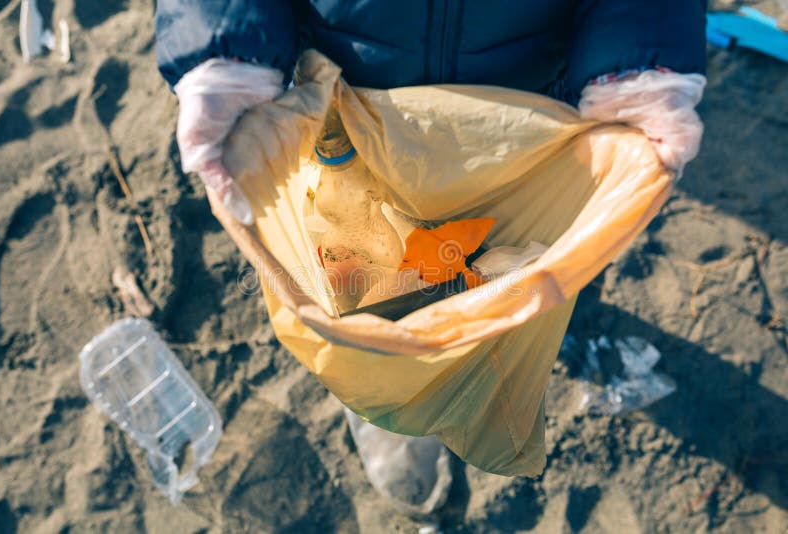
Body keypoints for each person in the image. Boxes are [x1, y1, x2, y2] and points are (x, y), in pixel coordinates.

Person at [154, 0, 708, 518]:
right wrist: (223, 40)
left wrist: (637, 57)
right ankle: (392, 406)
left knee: (538, 265)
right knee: (359, 276)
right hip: (349, 92)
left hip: (535, 99)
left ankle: (520, 341)